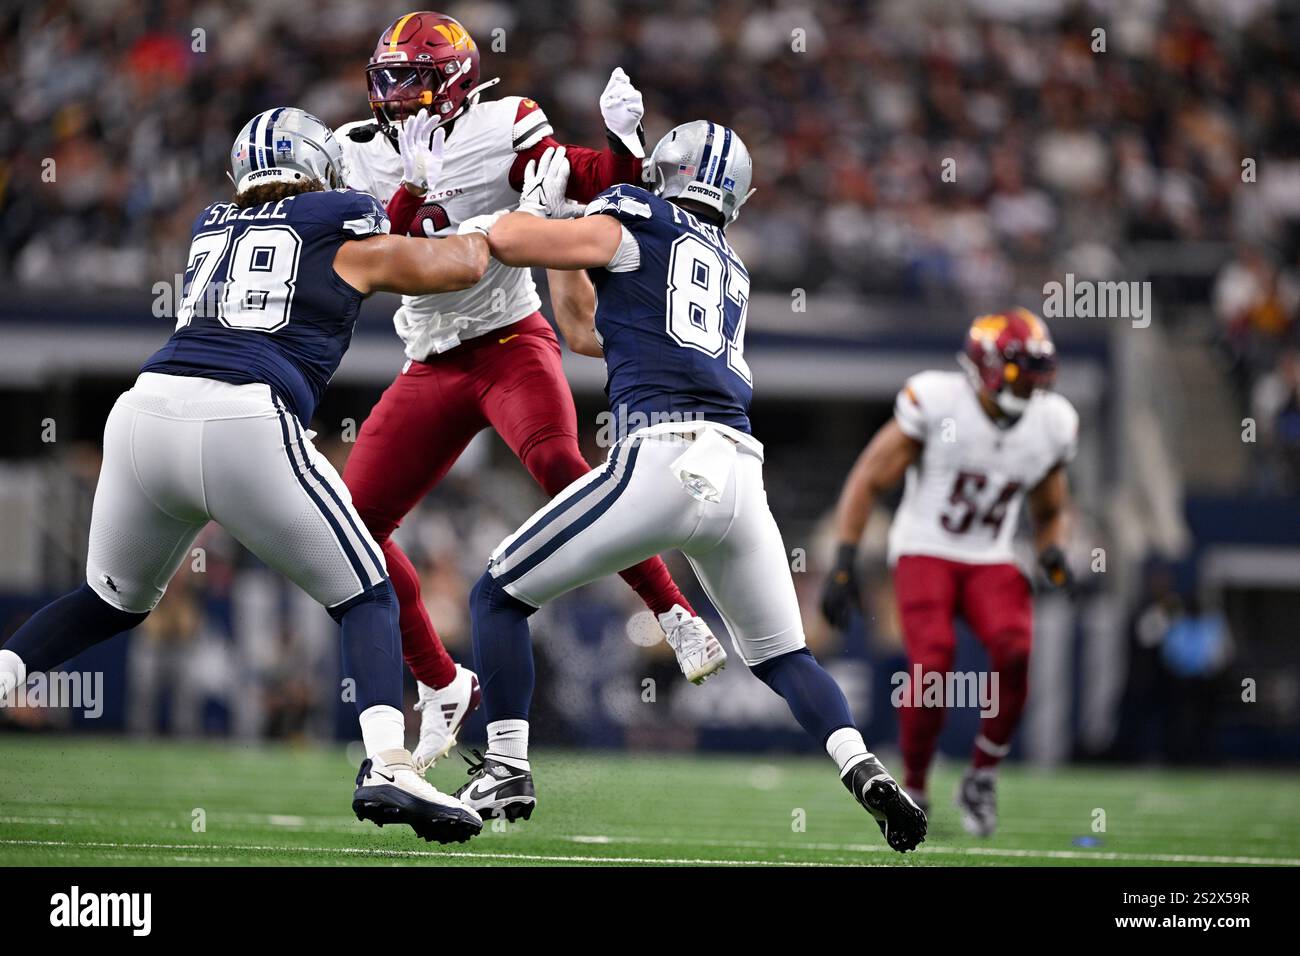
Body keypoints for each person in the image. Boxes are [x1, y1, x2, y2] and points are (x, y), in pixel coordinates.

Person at [0, 107, 489, 844]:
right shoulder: (340, 216)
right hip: (242, 417)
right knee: (369, 593)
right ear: (315, 167)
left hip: (144, 414)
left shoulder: (212, 222)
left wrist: (402, 207)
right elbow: (457, 267)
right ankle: (388, 762)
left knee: (108, 600)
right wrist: (445, 207)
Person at [447, 123, 927, 853]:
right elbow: (582, 330)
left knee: (497, 593)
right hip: (739, 472)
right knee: (783, 656)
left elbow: (509, 242)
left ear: (665, 168)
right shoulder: (723, 261)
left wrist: (541, 210)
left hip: (663, 455)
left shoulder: (641, 218)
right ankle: (860, 766)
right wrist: (566, 226)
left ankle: (508, 766)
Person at [334, 11, 727, 772]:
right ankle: (441, 684)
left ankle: (672, 611)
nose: (397, 97)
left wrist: (624, 146)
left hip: (511, 340)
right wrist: (412, 192)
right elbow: (375, 260)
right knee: (353, 530)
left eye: (413, 82)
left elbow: (591, 184)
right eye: (390, 81)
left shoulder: (503, 123)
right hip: (432, 358)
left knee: (557, 462)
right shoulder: (357, 151)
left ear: (451, 83)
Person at [821, 308, 1077, 836]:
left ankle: (982, 775)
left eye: (1035, 370)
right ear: (986, 365)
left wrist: (1052, 550)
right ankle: (914, 786)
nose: (1029, 382)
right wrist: (843, 560)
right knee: (932, 661)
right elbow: (869, 476)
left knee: (1016, 648)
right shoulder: (938, 401)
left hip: (992, 555)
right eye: (1017, 369)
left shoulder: (1052, 422)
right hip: (925, 549)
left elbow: (1052, 508)